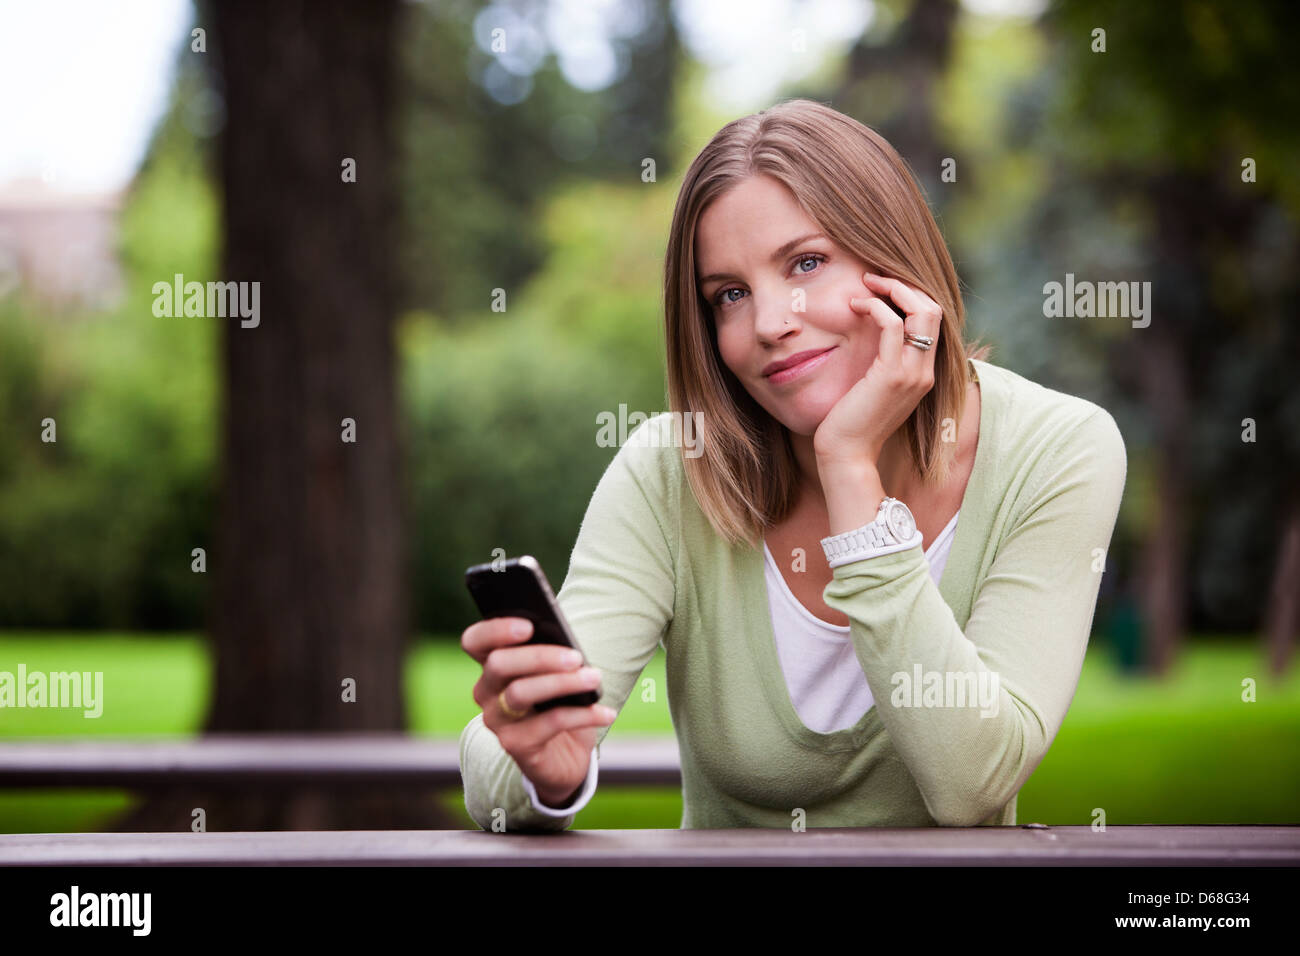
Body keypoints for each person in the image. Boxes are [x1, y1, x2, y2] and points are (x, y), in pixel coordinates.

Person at [458, 98, 1127, 830]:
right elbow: (500, 775)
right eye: (730, 295)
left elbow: (971, 783)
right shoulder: (670, 468)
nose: (771, 323)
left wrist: (848, 466)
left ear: (894, 259)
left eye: (806, 263)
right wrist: (541, 771)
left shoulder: (1058, 450)